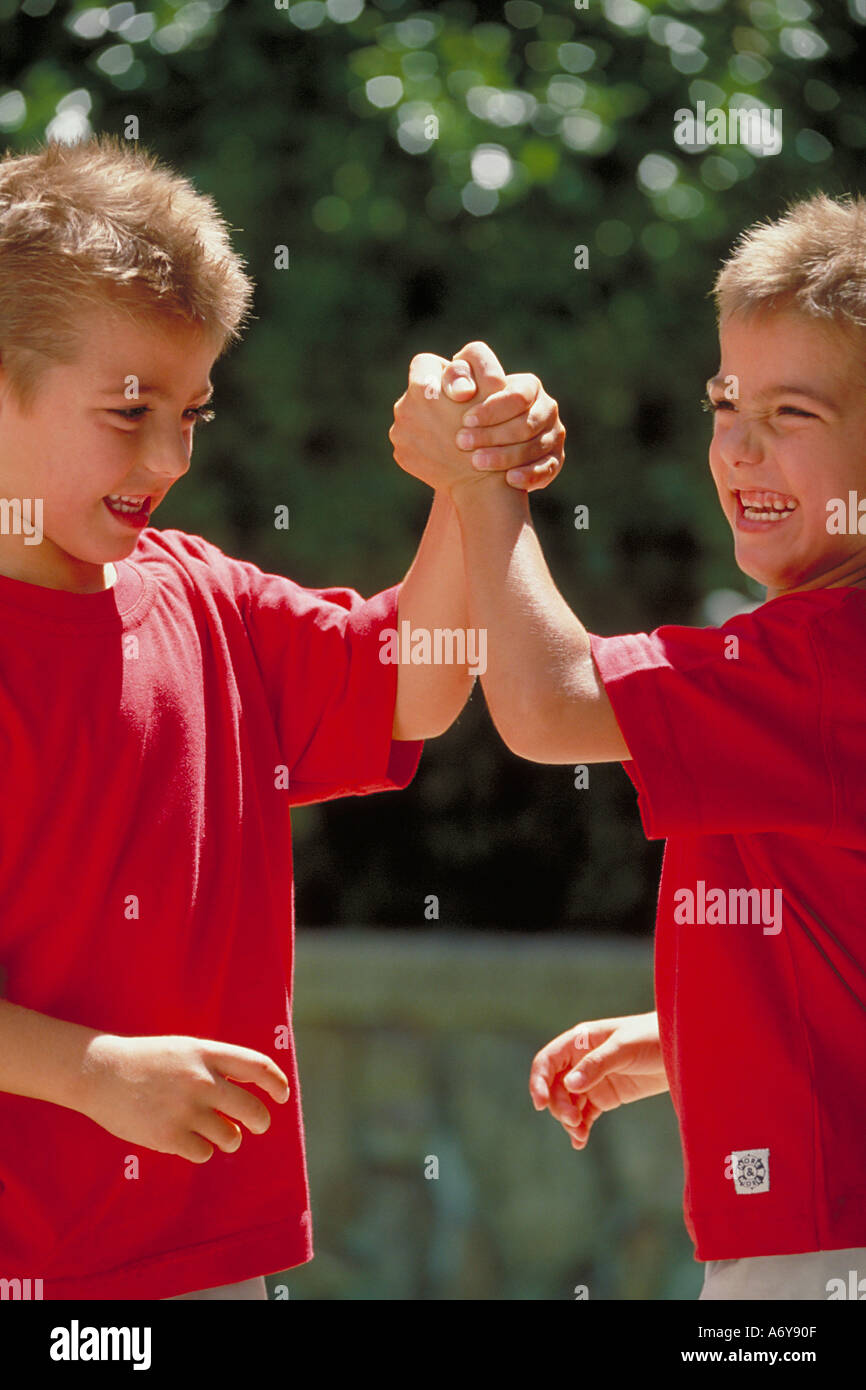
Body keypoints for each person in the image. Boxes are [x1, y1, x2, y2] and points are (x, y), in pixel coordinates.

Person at [0, 134, 565, 1300]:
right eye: (127, 408)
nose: (168, 454)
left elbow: (422, 674)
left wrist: (467, 487)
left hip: (212, 1266)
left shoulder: (207, 596)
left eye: (193, 408)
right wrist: (95, 1072)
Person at [390, 193, 866, 1300]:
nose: (738, 443)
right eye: (723, 401)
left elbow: (547, 703)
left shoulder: (821, 660)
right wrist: (689, 1034)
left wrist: (482, 488)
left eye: (790, 412)